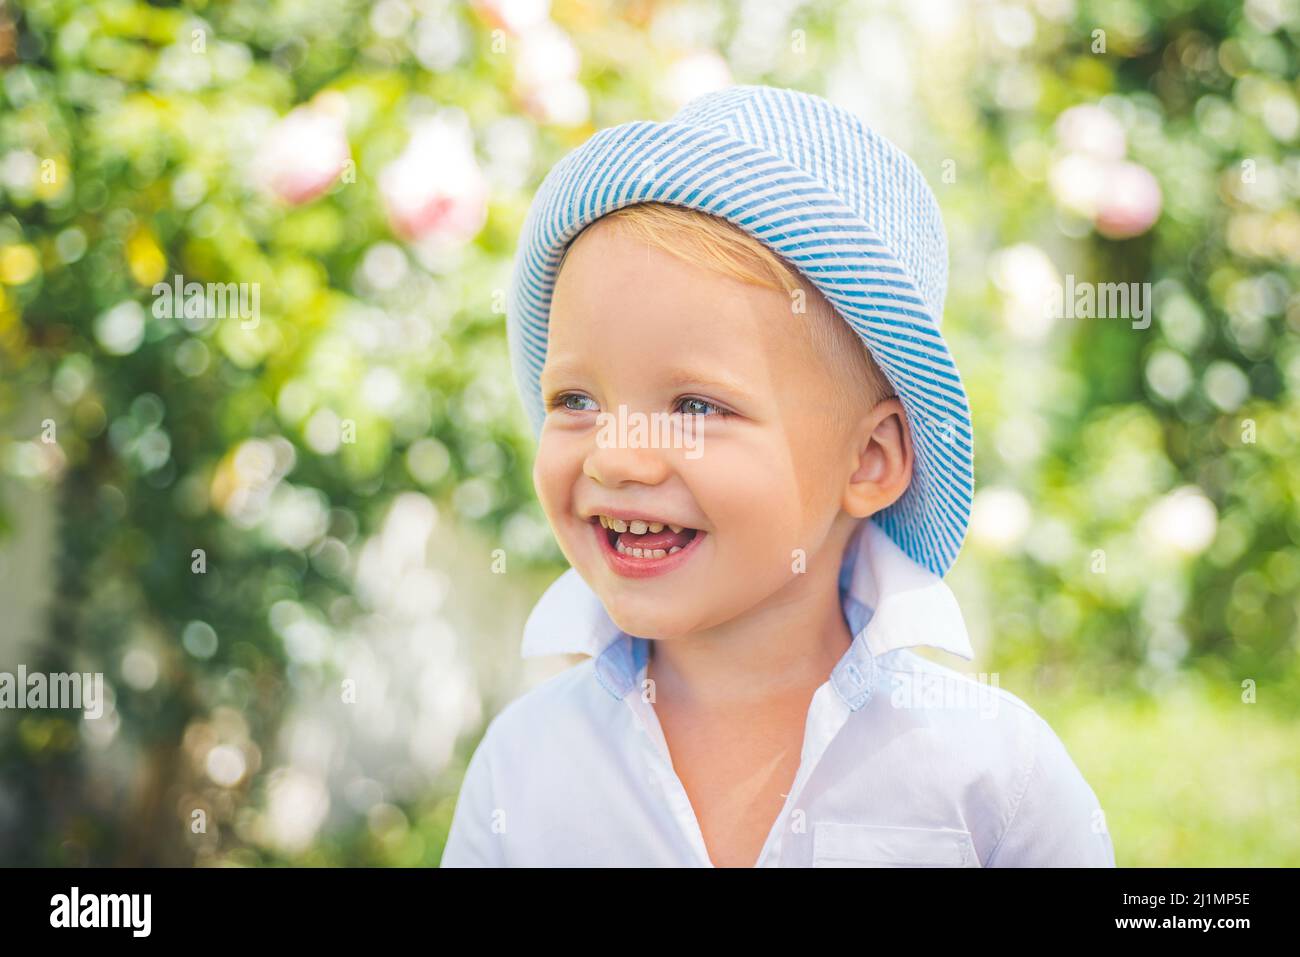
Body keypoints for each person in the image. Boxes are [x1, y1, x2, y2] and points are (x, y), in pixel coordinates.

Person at [441, 85, 1114, 867]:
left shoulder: (993, 779)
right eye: (576, 399)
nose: (615, 455)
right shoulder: (522, 768)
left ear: (870, 459)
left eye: (695, 405)